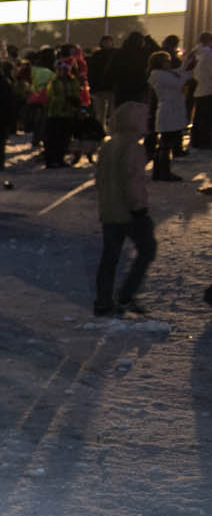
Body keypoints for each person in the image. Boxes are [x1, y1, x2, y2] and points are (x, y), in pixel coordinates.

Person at [94, 102, 157, 318]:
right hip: (129, 211)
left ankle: (103, 301)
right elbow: (133, 181)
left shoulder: (108, 144)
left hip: (109, 210)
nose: (147, 121)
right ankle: (126, 296)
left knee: (110, 257)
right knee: (148, 249)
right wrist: (139, 207)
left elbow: (100, 179)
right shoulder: (134, 147)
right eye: (143, 117)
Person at [147, 51, 192, 181]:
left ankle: (159, 171)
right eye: (166, 61)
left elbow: (179, 72)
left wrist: (187, 63)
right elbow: (177, 82)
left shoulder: (164, 73)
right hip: (168, 111)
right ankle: (163, 172)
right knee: (166, 143)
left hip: (172, 110)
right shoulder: (158, 75)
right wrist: (188, 74)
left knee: (166, 143)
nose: (169, 63)